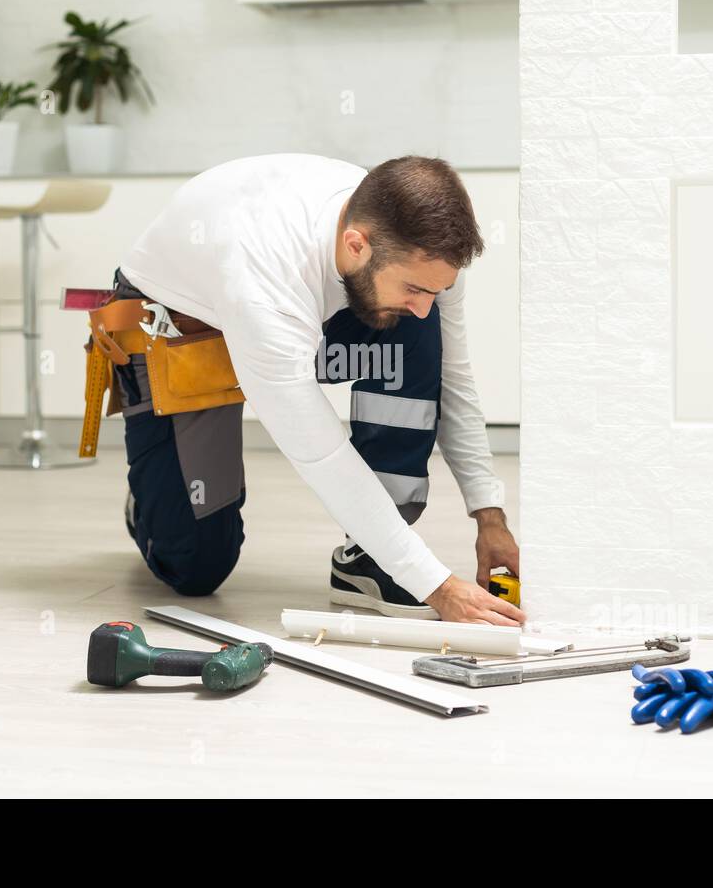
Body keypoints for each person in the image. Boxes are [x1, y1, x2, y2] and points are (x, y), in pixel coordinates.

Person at [112, 153, 524, 626]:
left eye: (438, 290)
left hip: (299, 303)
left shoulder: (417, 254)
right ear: (356, 245)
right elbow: (320, 454)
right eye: (416, 288)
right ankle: (151, 495)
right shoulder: (266, 284)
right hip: (181, 320)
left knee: (413, 327)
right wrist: (439, 587)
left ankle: (368, 557)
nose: (428, 305)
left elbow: (453, 378)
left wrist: (489, 514)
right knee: (195, 567)